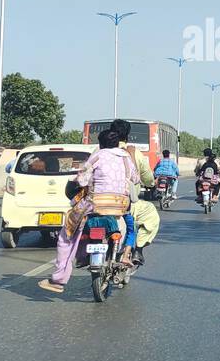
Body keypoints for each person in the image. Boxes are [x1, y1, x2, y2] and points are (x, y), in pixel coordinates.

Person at [40, 129, 136, 295]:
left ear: (101, 144)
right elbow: (135, 179)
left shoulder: (97, 156)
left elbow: (83, 179)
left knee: (67, 234)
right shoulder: (127, 158)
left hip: (96, 204)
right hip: (121, 205)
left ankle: (58, 280)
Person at [111, 118, 159, 264]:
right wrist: (151, 183)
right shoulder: (133, 153)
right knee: (150, 214)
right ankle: (137, 250)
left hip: (97, 202)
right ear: (127, 135)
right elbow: (144, 179)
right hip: (124, 203)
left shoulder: (98, 151)